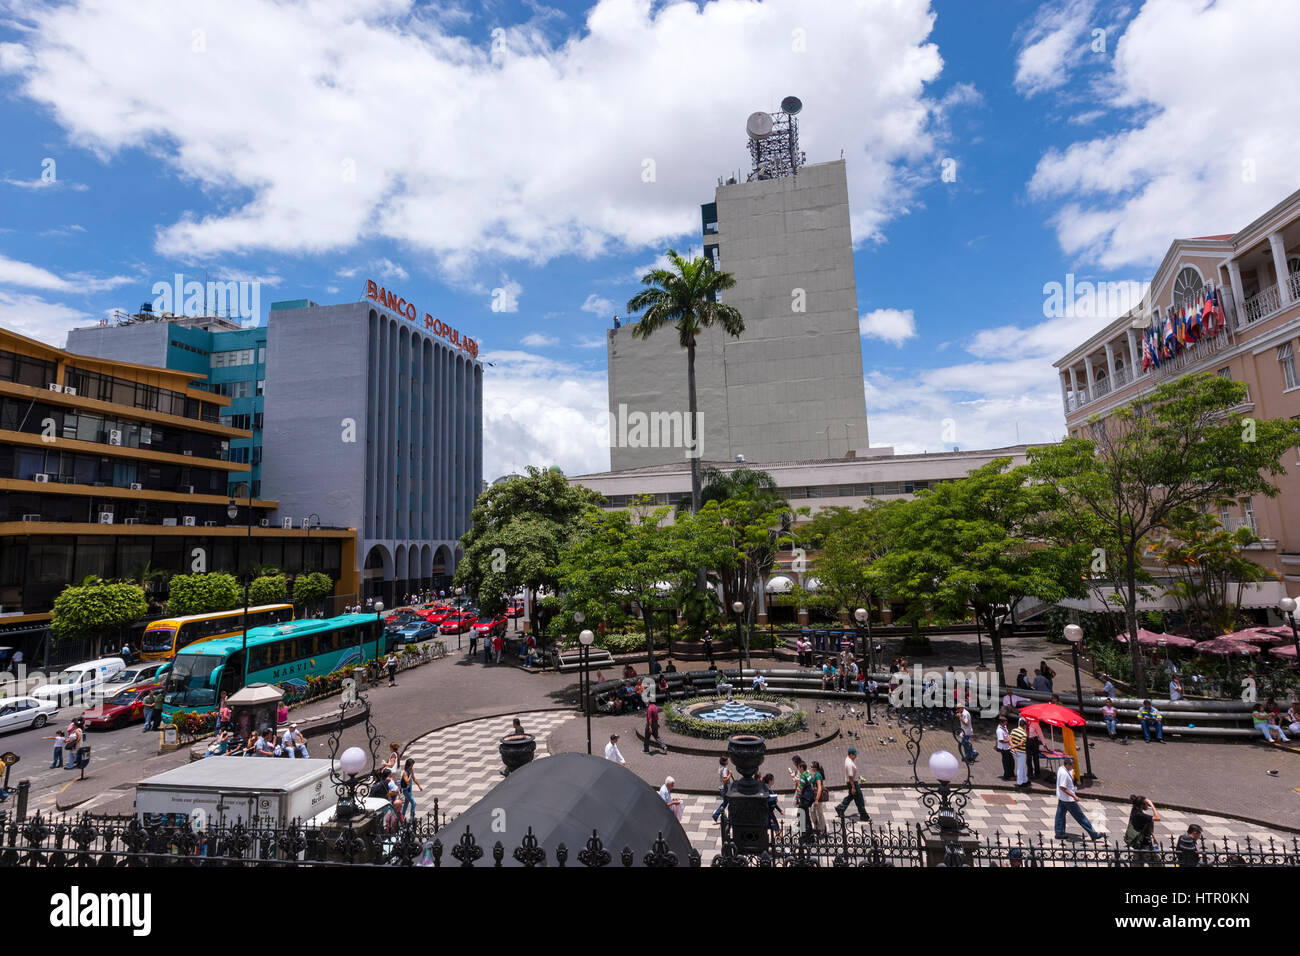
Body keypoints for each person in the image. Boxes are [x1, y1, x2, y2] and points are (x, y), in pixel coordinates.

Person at [1054, 756, 1103, 841]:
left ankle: (1059, 832)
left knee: (1060, 815)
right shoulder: (1064, 774)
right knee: (1080, 817)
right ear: (1067, 765)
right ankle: (1093, 834)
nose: (1073, 766)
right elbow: (1062, 787)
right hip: (1068, 800)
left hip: (1062, 798)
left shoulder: (1062, 769)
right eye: (1072, 765)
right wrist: (1074, 796)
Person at [835, 746, 869, 821]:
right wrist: (853, 787)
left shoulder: (848, 759)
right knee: (859, 799)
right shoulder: (849, 763)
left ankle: (840, 808)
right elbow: (850, 777)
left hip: (853, 782)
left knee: (851, 796)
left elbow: (852, 774)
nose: (856, 756)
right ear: (851, 754)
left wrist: (858, 776)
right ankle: (864, 815)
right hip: (853, 783)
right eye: (855, 754)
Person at [809, 760, 829, 837]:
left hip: (817, 797)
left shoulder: (817, 775)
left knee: (819, 812)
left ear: (815, 768)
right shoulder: (817, 774)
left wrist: (817, 799)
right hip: (815, 797)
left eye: (811, 767)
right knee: (813, 811)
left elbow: (819, 788)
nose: (810, 768)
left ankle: (822, 829)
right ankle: (818, 827)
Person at [400, 758, 422, 824]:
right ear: (408, 765)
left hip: (409, 790)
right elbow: (407, 781)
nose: (412, 766)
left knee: (406, 804)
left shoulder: (411, 771)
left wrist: (419, 786)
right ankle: (412, 817)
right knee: (413, 803)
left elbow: (414, 779)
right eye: (411, 765)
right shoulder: (405, 773)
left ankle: (402, 816)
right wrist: (410, 775)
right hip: (406, 791)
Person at [712, 756, 732, 823]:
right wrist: (730, 774)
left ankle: (716, 815)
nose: (728, 761)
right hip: (725, 789)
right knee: (729, 803)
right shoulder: (724, 769)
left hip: (721, 788)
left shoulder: (720, 767)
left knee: (725, 802)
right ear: (725, 762)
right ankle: (717, 815)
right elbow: (725, 779)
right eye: (727, 760)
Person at [1010, 718, 1029, 787]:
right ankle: (1019, 783)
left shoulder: (1014, 730)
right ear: (1024, 726)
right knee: (1020, 768)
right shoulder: (1024, 734)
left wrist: (1012, 745)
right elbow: (1021, 743)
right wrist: (1015, 745)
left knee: (1022, 766)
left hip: (1015, 751)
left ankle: (1025, 780)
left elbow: (1010, 738)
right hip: (1022, 752)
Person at [995, 715, 1014, 780]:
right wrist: (1009, 741)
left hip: (1007, 747)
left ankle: (1011, 774)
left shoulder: (1004, 727)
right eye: (1006, 722)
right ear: (1002, 723)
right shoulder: (999, 730)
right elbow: (1001, 740)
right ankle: (1007, 776)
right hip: (1004, 748)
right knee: (1006, 762)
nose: (1007, 723)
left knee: (1011, 762)